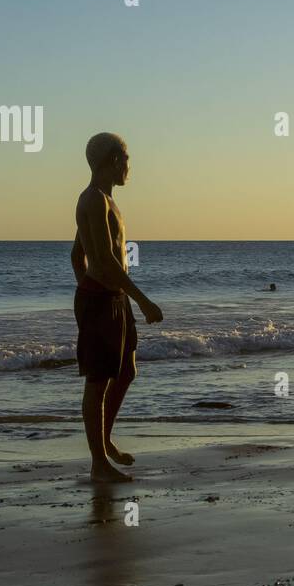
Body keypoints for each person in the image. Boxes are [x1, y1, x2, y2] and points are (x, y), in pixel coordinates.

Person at [71, 133, 164, 483]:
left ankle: (105, 442)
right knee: (98, 381)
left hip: (112, 297)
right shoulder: (93, 200)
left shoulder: (107, 201)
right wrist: (142, 300)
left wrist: (97, 284)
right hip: (101, 300)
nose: (129, 167)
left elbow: (76, 255)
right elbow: (107, 262)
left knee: (126, 371)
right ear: (112, 161)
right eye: (126, 159)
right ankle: (98, 464)